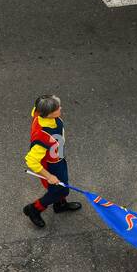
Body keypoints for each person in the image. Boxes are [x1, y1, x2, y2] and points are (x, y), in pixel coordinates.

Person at [23, 94, 82, 228]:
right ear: (48, 113)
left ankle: (60, 205)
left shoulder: (41, 113)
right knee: (60, 191)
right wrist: (49, 176)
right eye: (57, 107)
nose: (60, 108)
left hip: (58, 160)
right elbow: (31, 160)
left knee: (62, 186)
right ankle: (34, 209)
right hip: (51, 166)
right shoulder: (42, 136)